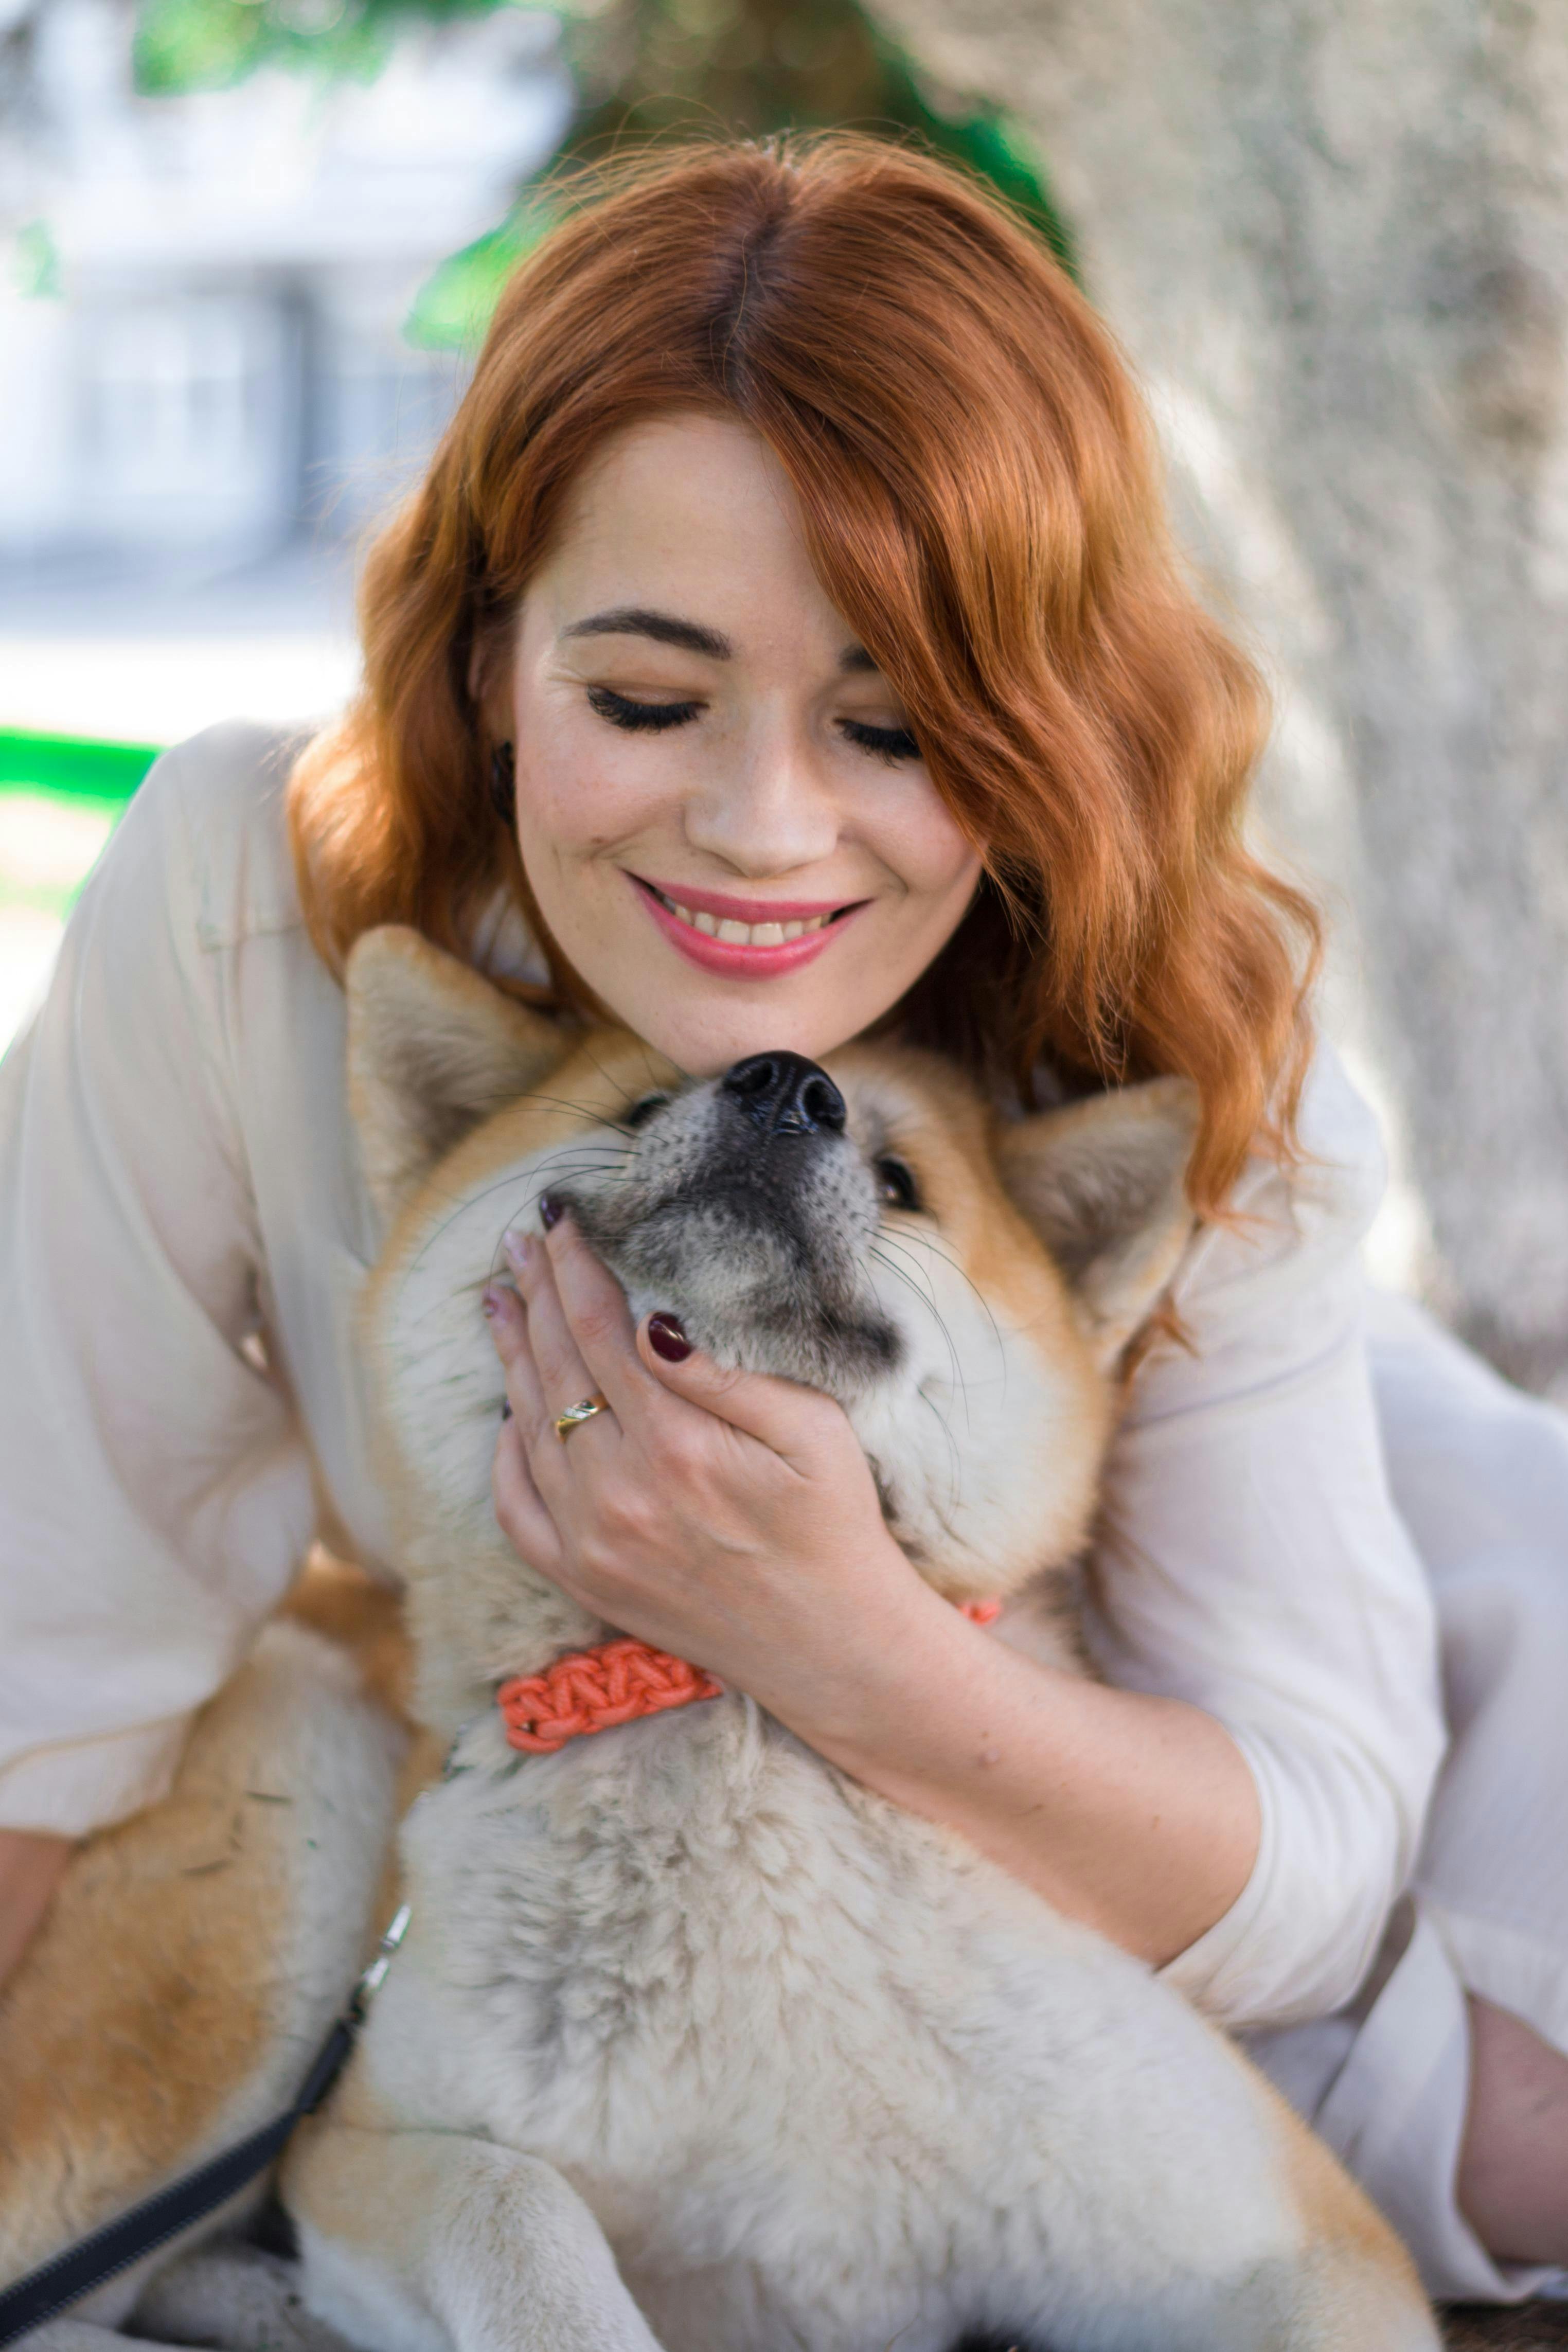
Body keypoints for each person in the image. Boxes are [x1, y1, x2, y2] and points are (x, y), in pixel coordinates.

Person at [2, 136, 1565, 2305]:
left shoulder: (1181, 1038)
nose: (761, 831)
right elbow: (43, 1653)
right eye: (647, 702)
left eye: (897, 727)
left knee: (1506, 2138)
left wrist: (837, 1632)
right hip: (612, 1774)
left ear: (1040, 732)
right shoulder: (245, 902)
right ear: (484, 666)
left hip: (1204, 1593)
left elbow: (1302, 1866)